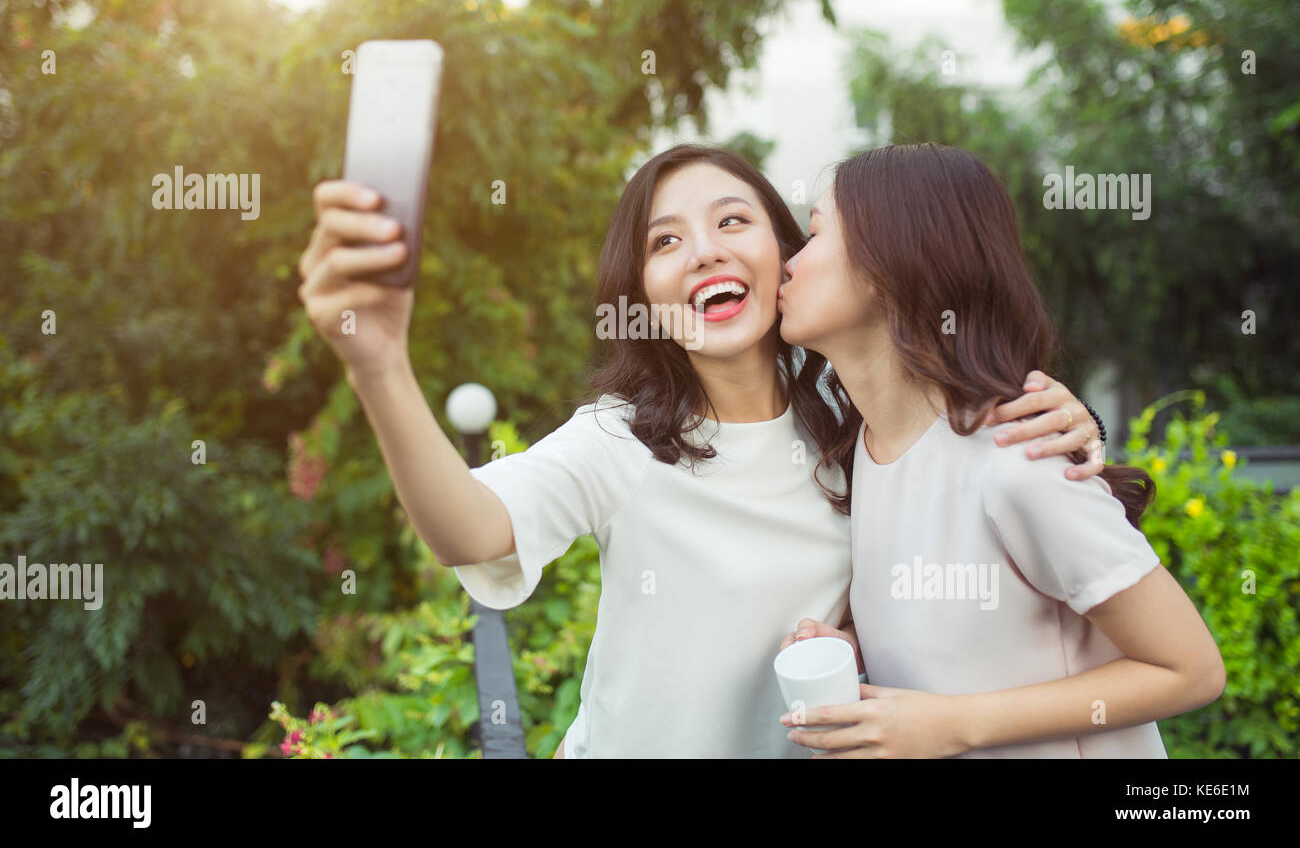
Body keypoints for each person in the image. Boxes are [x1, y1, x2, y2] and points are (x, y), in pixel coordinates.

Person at [297, 143, 1103, 757]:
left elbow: (961, 447)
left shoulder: (852, 417)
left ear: (789, 256)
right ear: (642, 295)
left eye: (732, 220)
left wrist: (1064, 414)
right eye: (665, 242)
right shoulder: (620, 437)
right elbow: (467, 528)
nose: (706, 252)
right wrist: (380, 368)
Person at [776, 143, 1225, 757]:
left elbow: (1191, 670)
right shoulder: (867, 451)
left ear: (888, 265)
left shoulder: (1016, 460)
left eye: (814, 235)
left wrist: (953, 724)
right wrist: (856, 645)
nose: (787, 265)